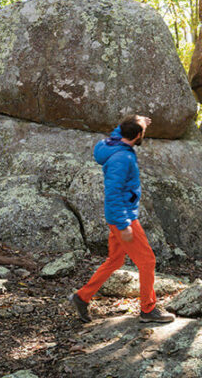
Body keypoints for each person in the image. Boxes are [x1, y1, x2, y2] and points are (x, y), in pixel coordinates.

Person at [69, 114, 175, 324]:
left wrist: (138, 121)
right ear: (136, 136)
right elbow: (113, 193)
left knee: (115, 260)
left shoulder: (112, 144)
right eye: (142, 132)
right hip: (123, 218)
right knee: (147, 261)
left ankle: (82, 297)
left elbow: (121, 131)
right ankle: (148, 309)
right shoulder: (122, 158)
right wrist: (124, 224)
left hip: (118, 217)